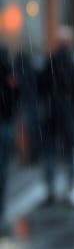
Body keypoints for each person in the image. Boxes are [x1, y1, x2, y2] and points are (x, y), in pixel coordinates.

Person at [37, 29, 74, 203]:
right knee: (71, 151)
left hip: (51, 115)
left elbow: (39, 90)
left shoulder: (49, 64)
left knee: (50, 152)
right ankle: (70, 185)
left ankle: (50, 187)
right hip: (70, 116)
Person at [0, 47, 19, 224]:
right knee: (4, 166)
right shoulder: (9, 73)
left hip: (5, 122)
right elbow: (15, 96)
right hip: (5, 123)